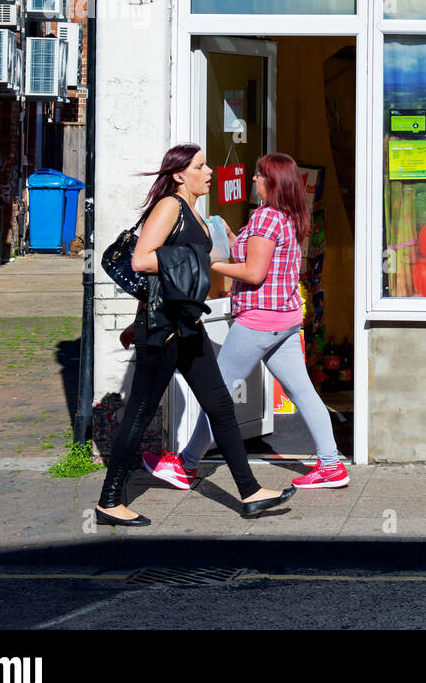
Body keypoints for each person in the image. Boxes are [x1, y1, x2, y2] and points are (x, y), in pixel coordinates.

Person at [95, 144, 295, 526]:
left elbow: (179, 275)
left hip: (188, 326)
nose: (209, 173)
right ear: (179, 175)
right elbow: (141, 259)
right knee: (139, 411)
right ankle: (109, 500)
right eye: (201, 167)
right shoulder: (170, 206)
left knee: (220, 406)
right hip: (165, 332)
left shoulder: (197, 215)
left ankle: (250, 492)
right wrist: (195, 263)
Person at [144, 153, 350, 492]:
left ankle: (187, 465)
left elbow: (254, 272)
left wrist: (207, 263)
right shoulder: (287, 217)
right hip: (284, 318)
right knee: (303, 391)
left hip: (259, 320)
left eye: (259, 175)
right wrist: (231, 237)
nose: (254, 180)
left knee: (217, 394)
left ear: (273, 182)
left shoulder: (265, 219)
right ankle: (330, 464)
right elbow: (259, 257)